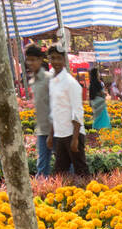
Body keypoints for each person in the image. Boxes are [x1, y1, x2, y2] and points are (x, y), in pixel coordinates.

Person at [48, 46, 89, 179]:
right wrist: (51, 134)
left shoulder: (71, 83)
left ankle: (92, 197)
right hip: (60, 134)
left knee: (81, 171)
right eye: (53, 58)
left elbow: (77, 111)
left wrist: (75, 139)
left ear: (64, 60)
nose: (56, 62)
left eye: (59, 58)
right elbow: (55, 110)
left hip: (72, 134)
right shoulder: (53, 82)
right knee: (60, 174)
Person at [25, 46, 52, 177]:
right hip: (42, 130)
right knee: (42, 165)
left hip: (56, 129)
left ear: (41, 60)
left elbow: (55, 106)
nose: (30, 63)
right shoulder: (32, 81)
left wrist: (52, 132)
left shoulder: (49, 78)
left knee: (65, 164)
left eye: (34, 60)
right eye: (28, 60)